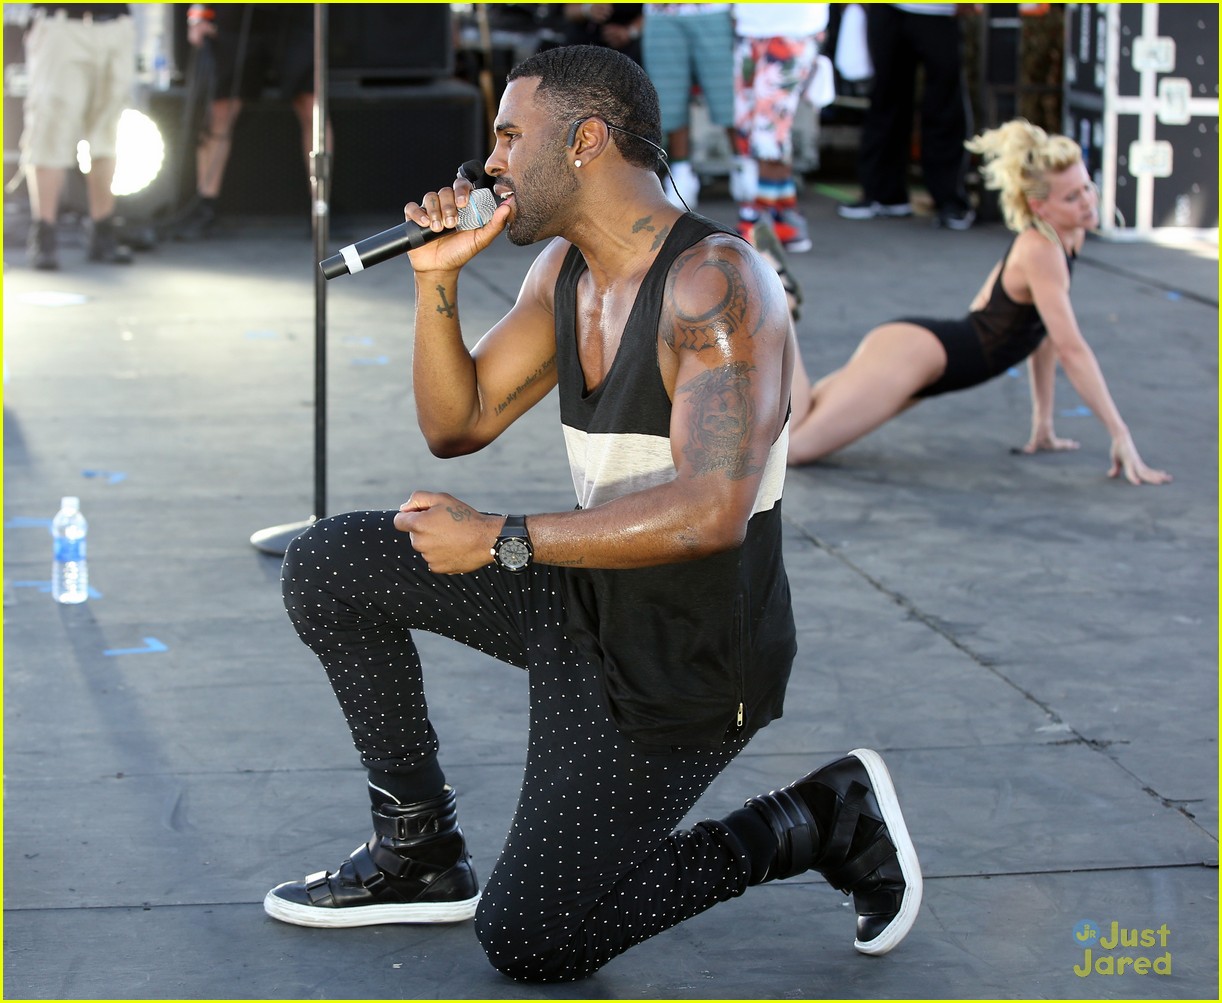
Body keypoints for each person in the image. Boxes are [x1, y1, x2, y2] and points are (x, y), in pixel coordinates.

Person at [263, 44, 922, 981]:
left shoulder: (716, 286)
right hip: (582, 590)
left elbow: (711, 512)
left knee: (532, 939)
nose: (488, 162)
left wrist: (499, 539)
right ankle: (418, 849)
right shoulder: (564, 273)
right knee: (330, 565)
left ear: (585, 141)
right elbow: (457, 424)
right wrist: (436, 281)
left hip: (687, 655)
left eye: (508, 137)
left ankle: (817, 818)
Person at [788, 119, 1171, 487]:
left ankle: (782, 310)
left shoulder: (1066, 237)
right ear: (1040, 208)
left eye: (1087, 187)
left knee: (801, 417)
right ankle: (783, 309)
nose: (1087, 202)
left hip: (922, 356)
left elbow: (1043, 334)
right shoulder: (1041, 250)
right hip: (915, 357)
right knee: (794, 449)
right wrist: (1119, 434)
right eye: (1072, 197)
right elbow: (1072, 350)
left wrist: (1043, 424)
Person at [175, 3, 321, 239]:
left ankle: (321, 205)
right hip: (236, 14)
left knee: (312, 106)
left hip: (295, 15)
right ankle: (205, 208)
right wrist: (198, 14)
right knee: (221, 108)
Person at [837, 3, 975, 230]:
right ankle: (885, 195)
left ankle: (950, 200)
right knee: (885, 98)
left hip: (940, 11)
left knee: (944, 103)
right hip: (888, 9)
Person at [20, 3, 137, 269]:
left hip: (115, 24)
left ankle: (102, 230)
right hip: (61, 24)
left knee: (108, 133)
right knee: (50, 129)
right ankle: (44, 233)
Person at [730, 3, 828, 254]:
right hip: (749, 26)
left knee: (769, 133)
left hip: (793, 28)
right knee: (746, 129)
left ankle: (757, 217)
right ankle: (784, 217)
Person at [641, 3, 736, 209]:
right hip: (661, 13)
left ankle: (743, 167)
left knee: (727, 97)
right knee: (669, 98)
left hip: (713, 10)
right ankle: (681, 173)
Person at [562, 4, 644, 64]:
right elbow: (568, 11)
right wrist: (588, 9)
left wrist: (629, 32)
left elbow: (649, 13)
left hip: (626, 50)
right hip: (582, 47)